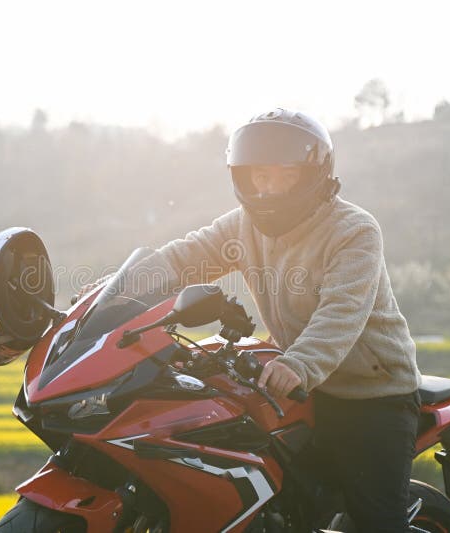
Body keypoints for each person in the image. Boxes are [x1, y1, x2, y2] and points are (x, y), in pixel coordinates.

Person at [142, 108, 423, 532]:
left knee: (376, 522)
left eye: (281, 174)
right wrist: (119, 287)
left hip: (370, 394)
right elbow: (186, 256)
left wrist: (298, 363)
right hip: (293, 386)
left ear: (312, 174)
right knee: (273, 500)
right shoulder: (244, 227)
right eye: (258, 176)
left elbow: (341, 312)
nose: (267, 188)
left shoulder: (354, 230)